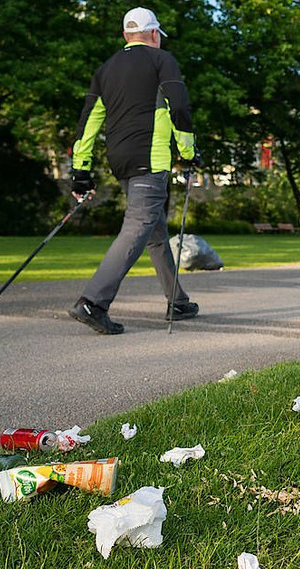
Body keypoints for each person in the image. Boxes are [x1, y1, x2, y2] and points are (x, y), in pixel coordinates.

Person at [67, 7, 199, 335]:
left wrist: (80, 171)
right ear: (154, 34)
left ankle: (177, 301)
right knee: (138, 226)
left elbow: (88, 123)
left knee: (154, 233)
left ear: (126, 35)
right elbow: (179, 107)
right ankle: (92, 302)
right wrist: (189, 153)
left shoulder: (106, 69)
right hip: (149, 159)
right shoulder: (162, 60)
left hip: (120, 160)